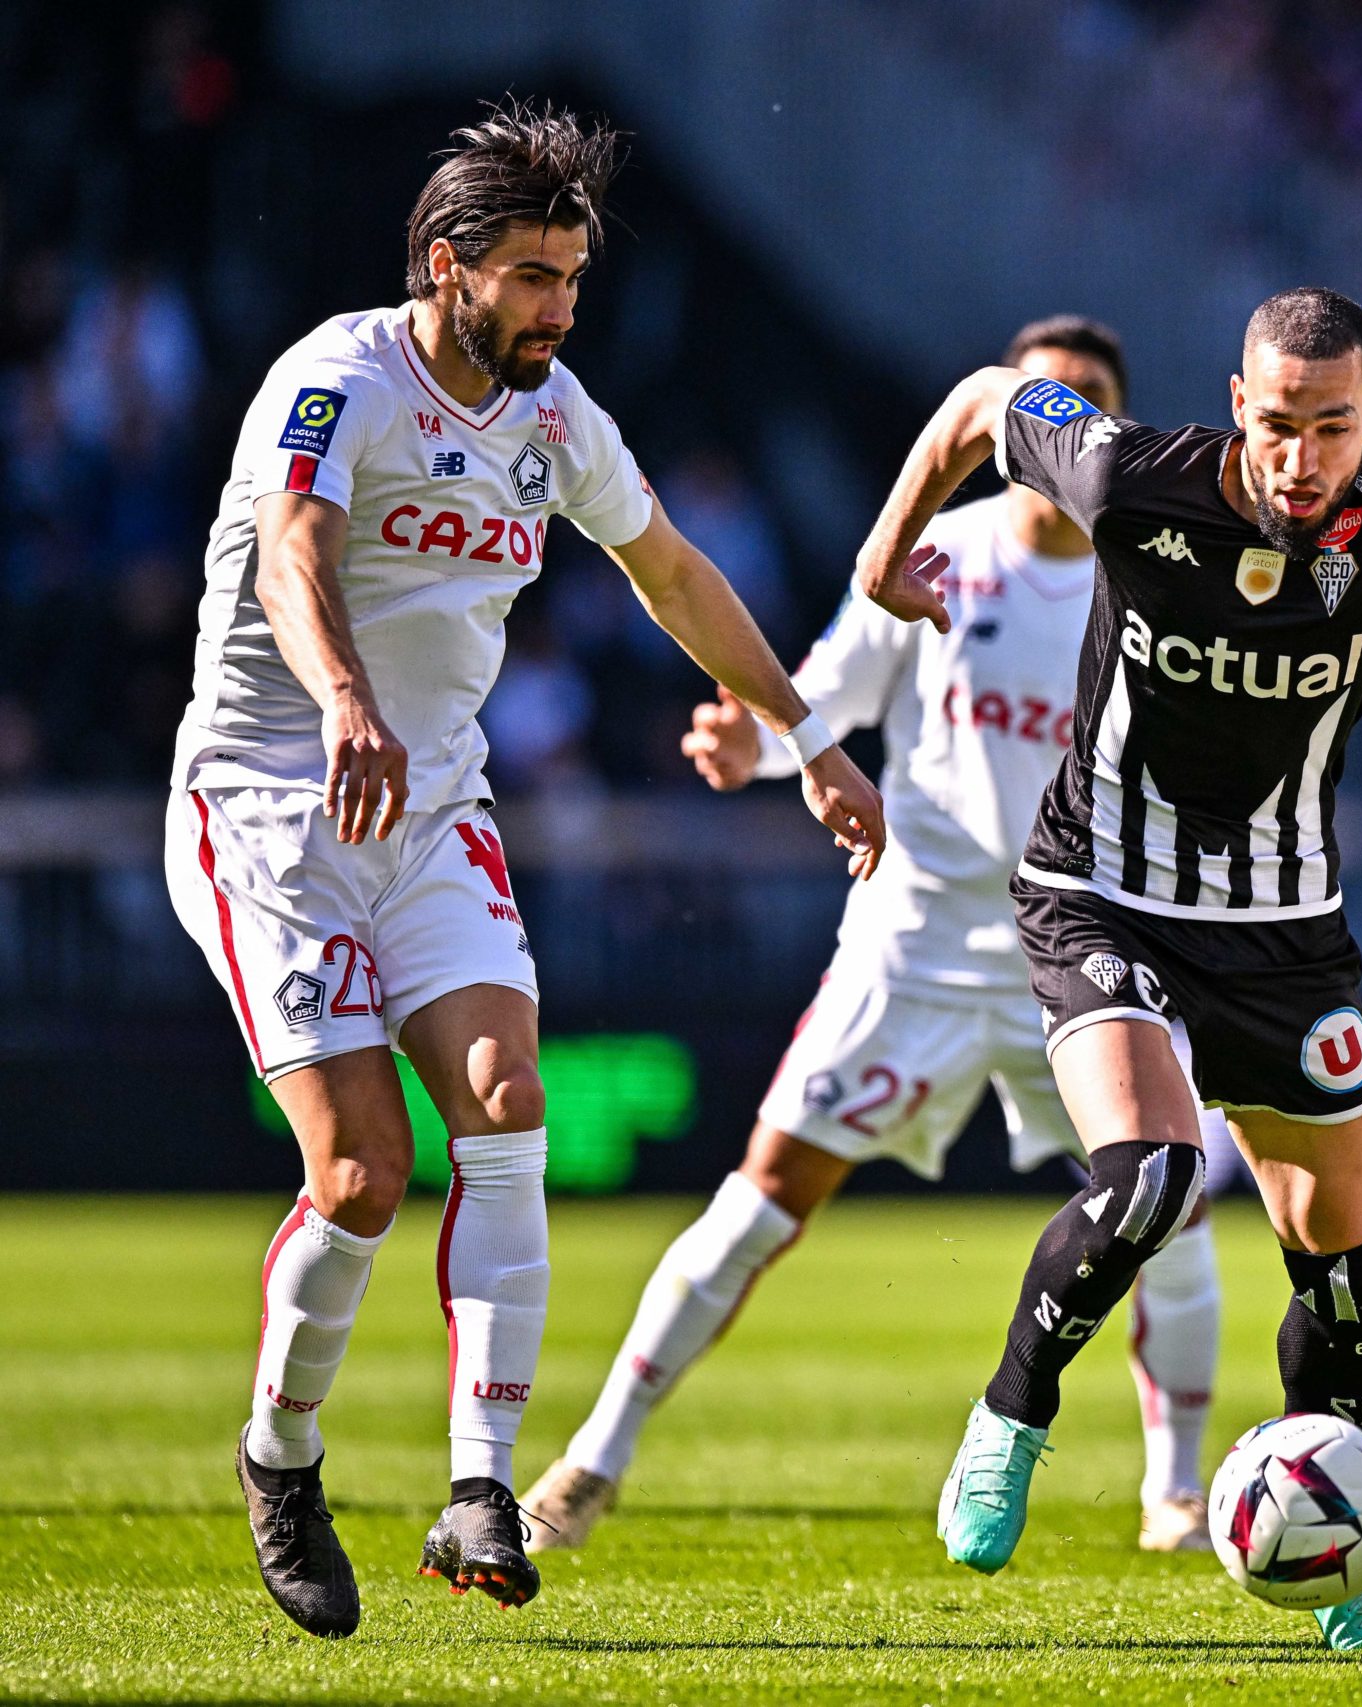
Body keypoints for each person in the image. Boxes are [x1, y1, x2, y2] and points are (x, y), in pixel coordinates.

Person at [163, 102, 884, 1637]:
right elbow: (294, 545)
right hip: (270, 801)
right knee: (358, 1171)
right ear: (450, 267)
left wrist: (811, 735)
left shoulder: (556, 422)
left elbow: (672, 568)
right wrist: (346, 696)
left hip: (430, 808)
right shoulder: (335, 378)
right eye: (537, 279)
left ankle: (479, 1486)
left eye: (575, 278)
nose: (563, 308)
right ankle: (280, 1456)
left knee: (507, 1099)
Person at [850, 286, 1362, 1651]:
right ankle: (1012, 1413)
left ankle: (1340, 1568)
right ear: (1234, 402)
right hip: (1101, 894)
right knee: (1153, 1173)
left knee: (1348, 1266)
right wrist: (881, 563)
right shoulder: (1131, 471)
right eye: (1276, 425)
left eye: (1331, 427)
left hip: (1287, 933)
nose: (1302, 458)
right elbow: (975, 399)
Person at [523, 319, 1241, 1557]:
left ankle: (1171, 1491)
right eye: (1041, 405)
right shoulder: (942, 559)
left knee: (1167, 1202)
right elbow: (825, 698)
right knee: (766, 1192)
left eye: (1087, 409)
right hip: (914, 942)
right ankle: (594, 1458)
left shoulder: (1155, 586)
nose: (1059, 428)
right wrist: (753, 744)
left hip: (1080, 955)